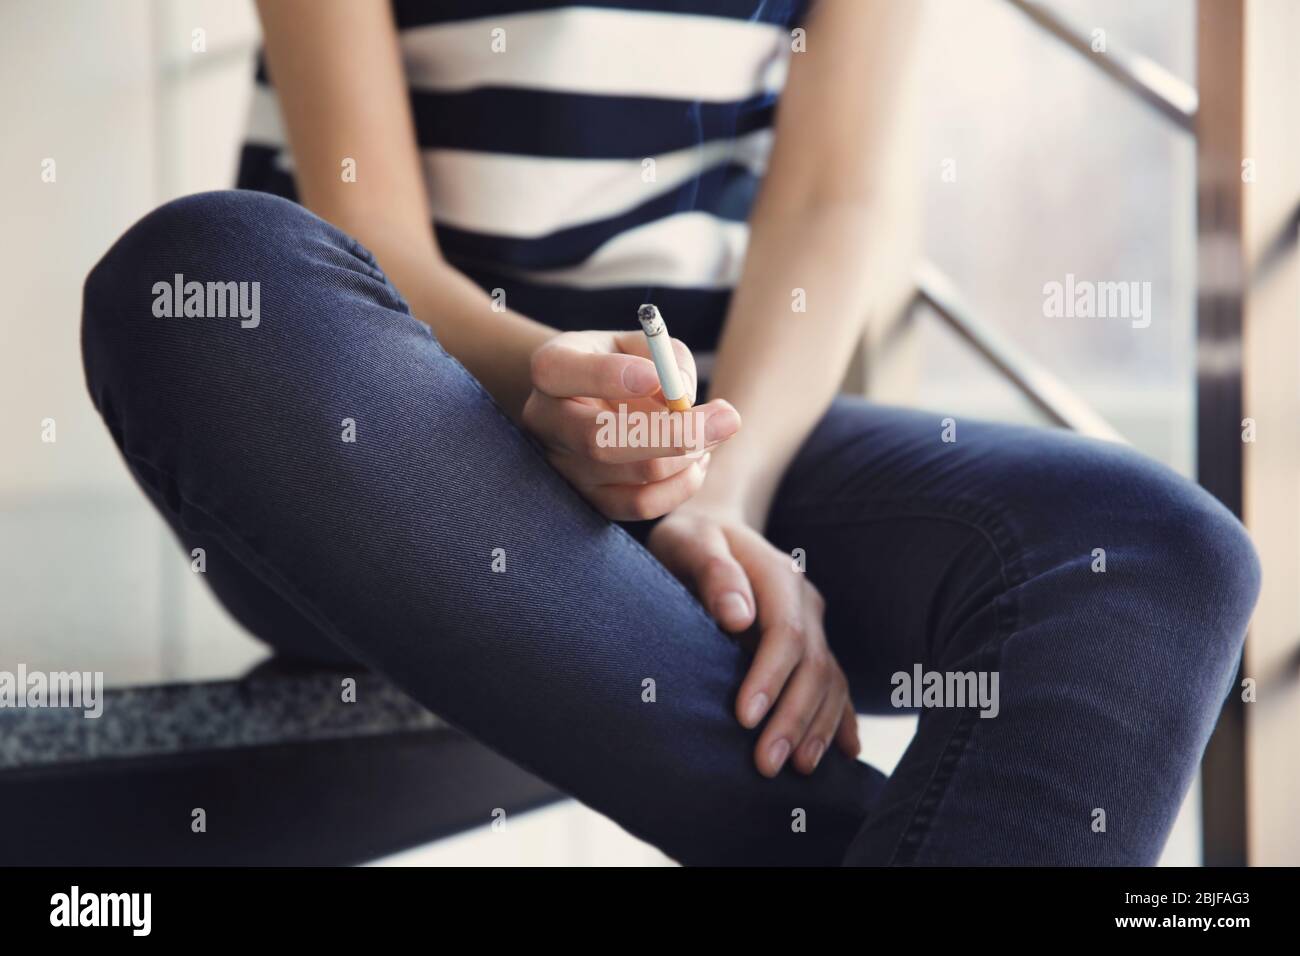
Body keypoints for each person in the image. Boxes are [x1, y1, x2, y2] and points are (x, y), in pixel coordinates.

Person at [80, 0, 1259, 865]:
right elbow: (370, 222)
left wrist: (718, 490)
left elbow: (832, 194)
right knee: (200, 278)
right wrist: (556, 391)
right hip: (394, 449)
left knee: (1154, 549)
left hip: (728, 436)